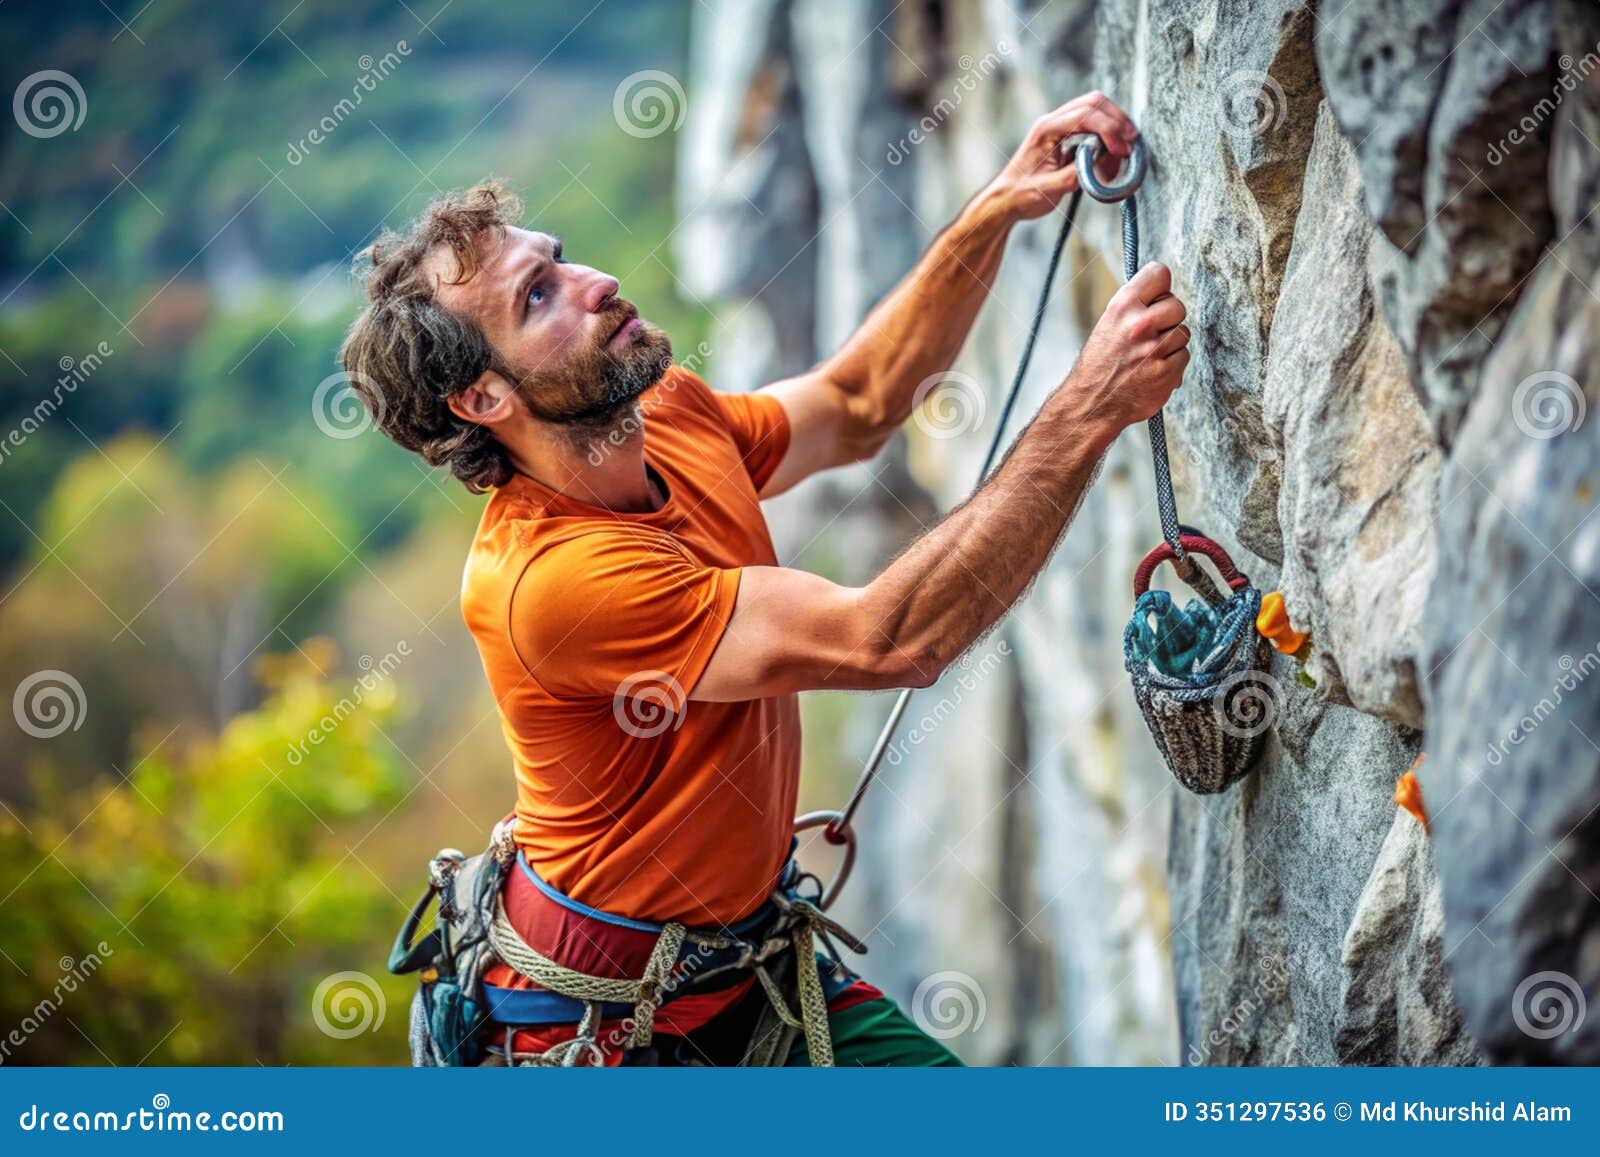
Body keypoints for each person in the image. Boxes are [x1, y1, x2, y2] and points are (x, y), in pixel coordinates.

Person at [341, 91, 1188, 1066]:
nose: (599, 281)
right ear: (482, 395)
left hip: (741, 970)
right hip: (609, 1042)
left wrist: (994, 206)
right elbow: (889, 638)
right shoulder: (553, 583)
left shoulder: (660, 410)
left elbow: (859, 399)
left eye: (561, 257)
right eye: (540, 296)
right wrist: (1086, 407)